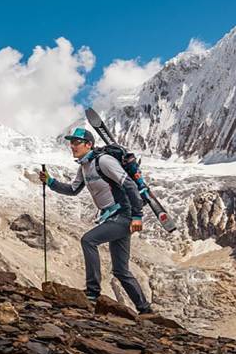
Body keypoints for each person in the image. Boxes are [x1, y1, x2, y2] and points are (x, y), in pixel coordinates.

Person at [39, 127, 152, 312]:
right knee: (120, 271)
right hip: (113, 217)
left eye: (76, 142)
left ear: (88, 144)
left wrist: (137, 216)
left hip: (123, 216)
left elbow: (130, 185)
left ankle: (92, 292)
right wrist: (50, 182)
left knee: (88, 240)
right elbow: (73, 190)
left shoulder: (104, 161)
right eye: (71, 142)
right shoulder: (84, 167)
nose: (72, 146)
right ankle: (145, 309)